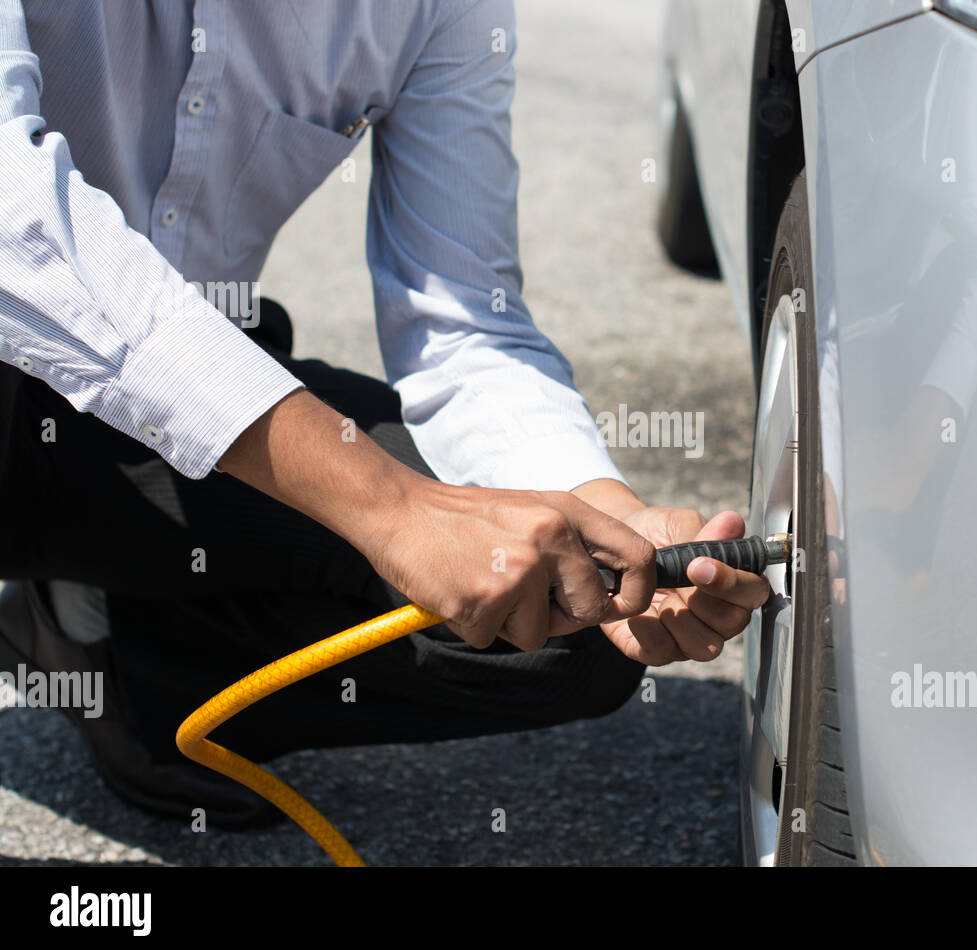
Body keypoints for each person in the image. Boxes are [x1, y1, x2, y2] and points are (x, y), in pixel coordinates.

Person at [0, 0, 767, 827]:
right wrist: (392, 509)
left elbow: (464, 318)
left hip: (174, 412)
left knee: (565, 614)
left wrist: (603, 513)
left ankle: (103, 641)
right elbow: (16, 221)